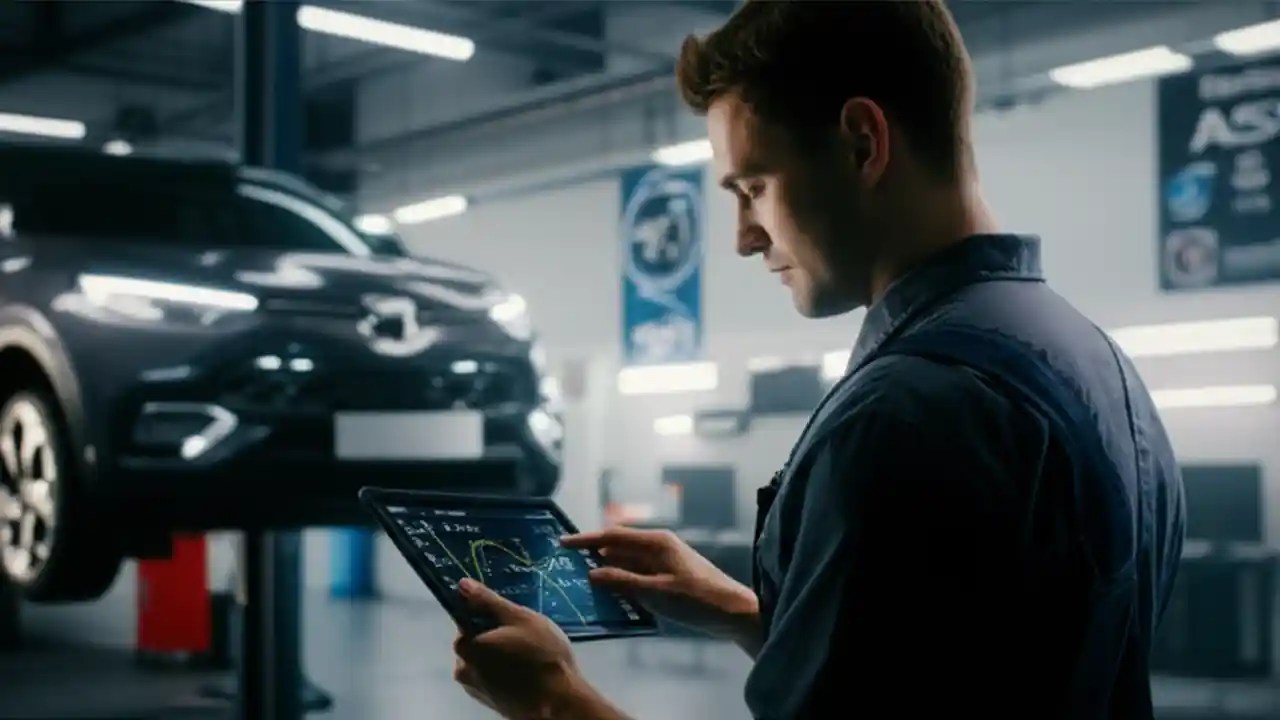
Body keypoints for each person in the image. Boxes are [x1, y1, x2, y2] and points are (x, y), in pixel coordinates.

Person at [450, 1, 1186, 718]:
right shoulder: (1094, 361)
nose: (744, 237)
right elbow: (982, 665)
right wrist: (749, 612)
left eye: (754, 187)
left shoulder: (900, 415)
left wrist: (553, 699)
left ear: (863, 143)